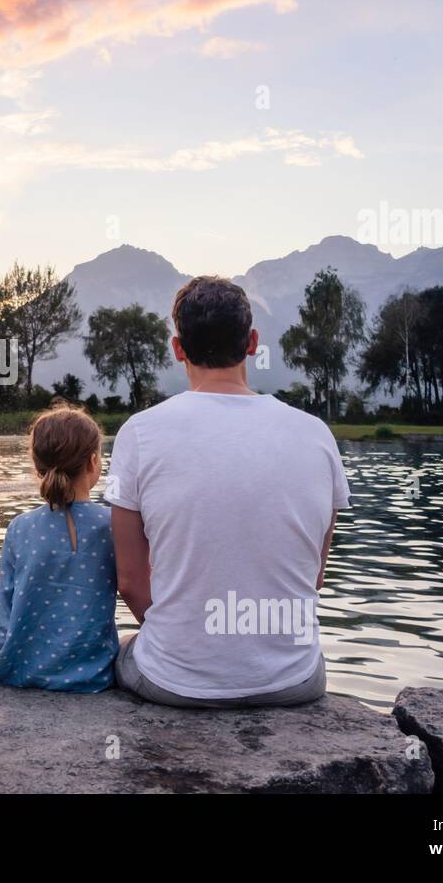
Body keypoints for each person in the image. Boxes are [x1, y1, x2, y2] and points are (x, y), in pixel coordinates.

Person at [108, 275, 350, 708]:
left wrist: (185, 637)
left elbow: (129, 581)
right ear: (252, 342)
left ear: (178, 348)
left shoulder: (139, 433)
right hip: (293, 680)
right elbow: (314, 575)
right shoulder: (316, 434)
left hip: (173, 683)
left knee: (122, 646)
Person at [0, 403, 118, 692]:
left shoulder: (20, 528)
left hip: (21, 673)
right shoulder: (112, 525)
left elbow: (3, 608)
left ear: (37, 466)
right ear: (93, 463)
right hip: (92, 677)